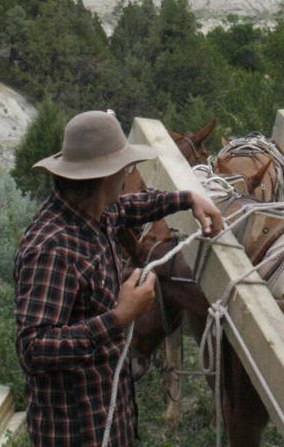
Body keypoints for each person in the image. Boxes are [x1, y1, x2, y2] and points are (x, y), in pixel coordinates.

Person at [14, 110, 223, 447]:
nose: (129, 175)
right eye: (126, 168)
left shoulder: (95, 212)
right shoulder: (52, 248)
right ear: (107, 176)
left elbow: (130, 207)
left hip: (110, 414)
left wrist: (187, 199)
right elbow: (33, 349)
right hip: (76, 431)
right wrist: (120, 317)